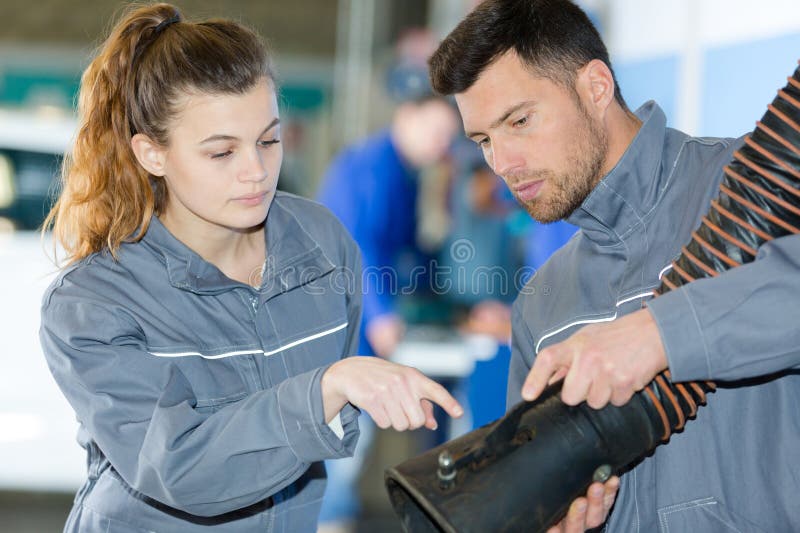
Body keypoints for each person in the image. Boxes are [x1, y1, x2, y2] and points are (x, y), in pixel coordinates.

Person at [39, 4, 462, 532]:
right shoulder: (94, 304)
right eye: (222, 153)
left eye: (269, 140)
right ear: (151, 154)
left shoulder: (324, 247)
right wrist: (324, 390)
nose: (256, 172)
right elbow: (182, 468)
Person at [429, 1, 799, 532]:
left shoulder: (752, 190)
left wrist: (658, 334)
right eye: (484, 140)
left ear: (596, 87)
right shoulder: (542, 303)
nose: (503, 163)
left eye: (520, 121)